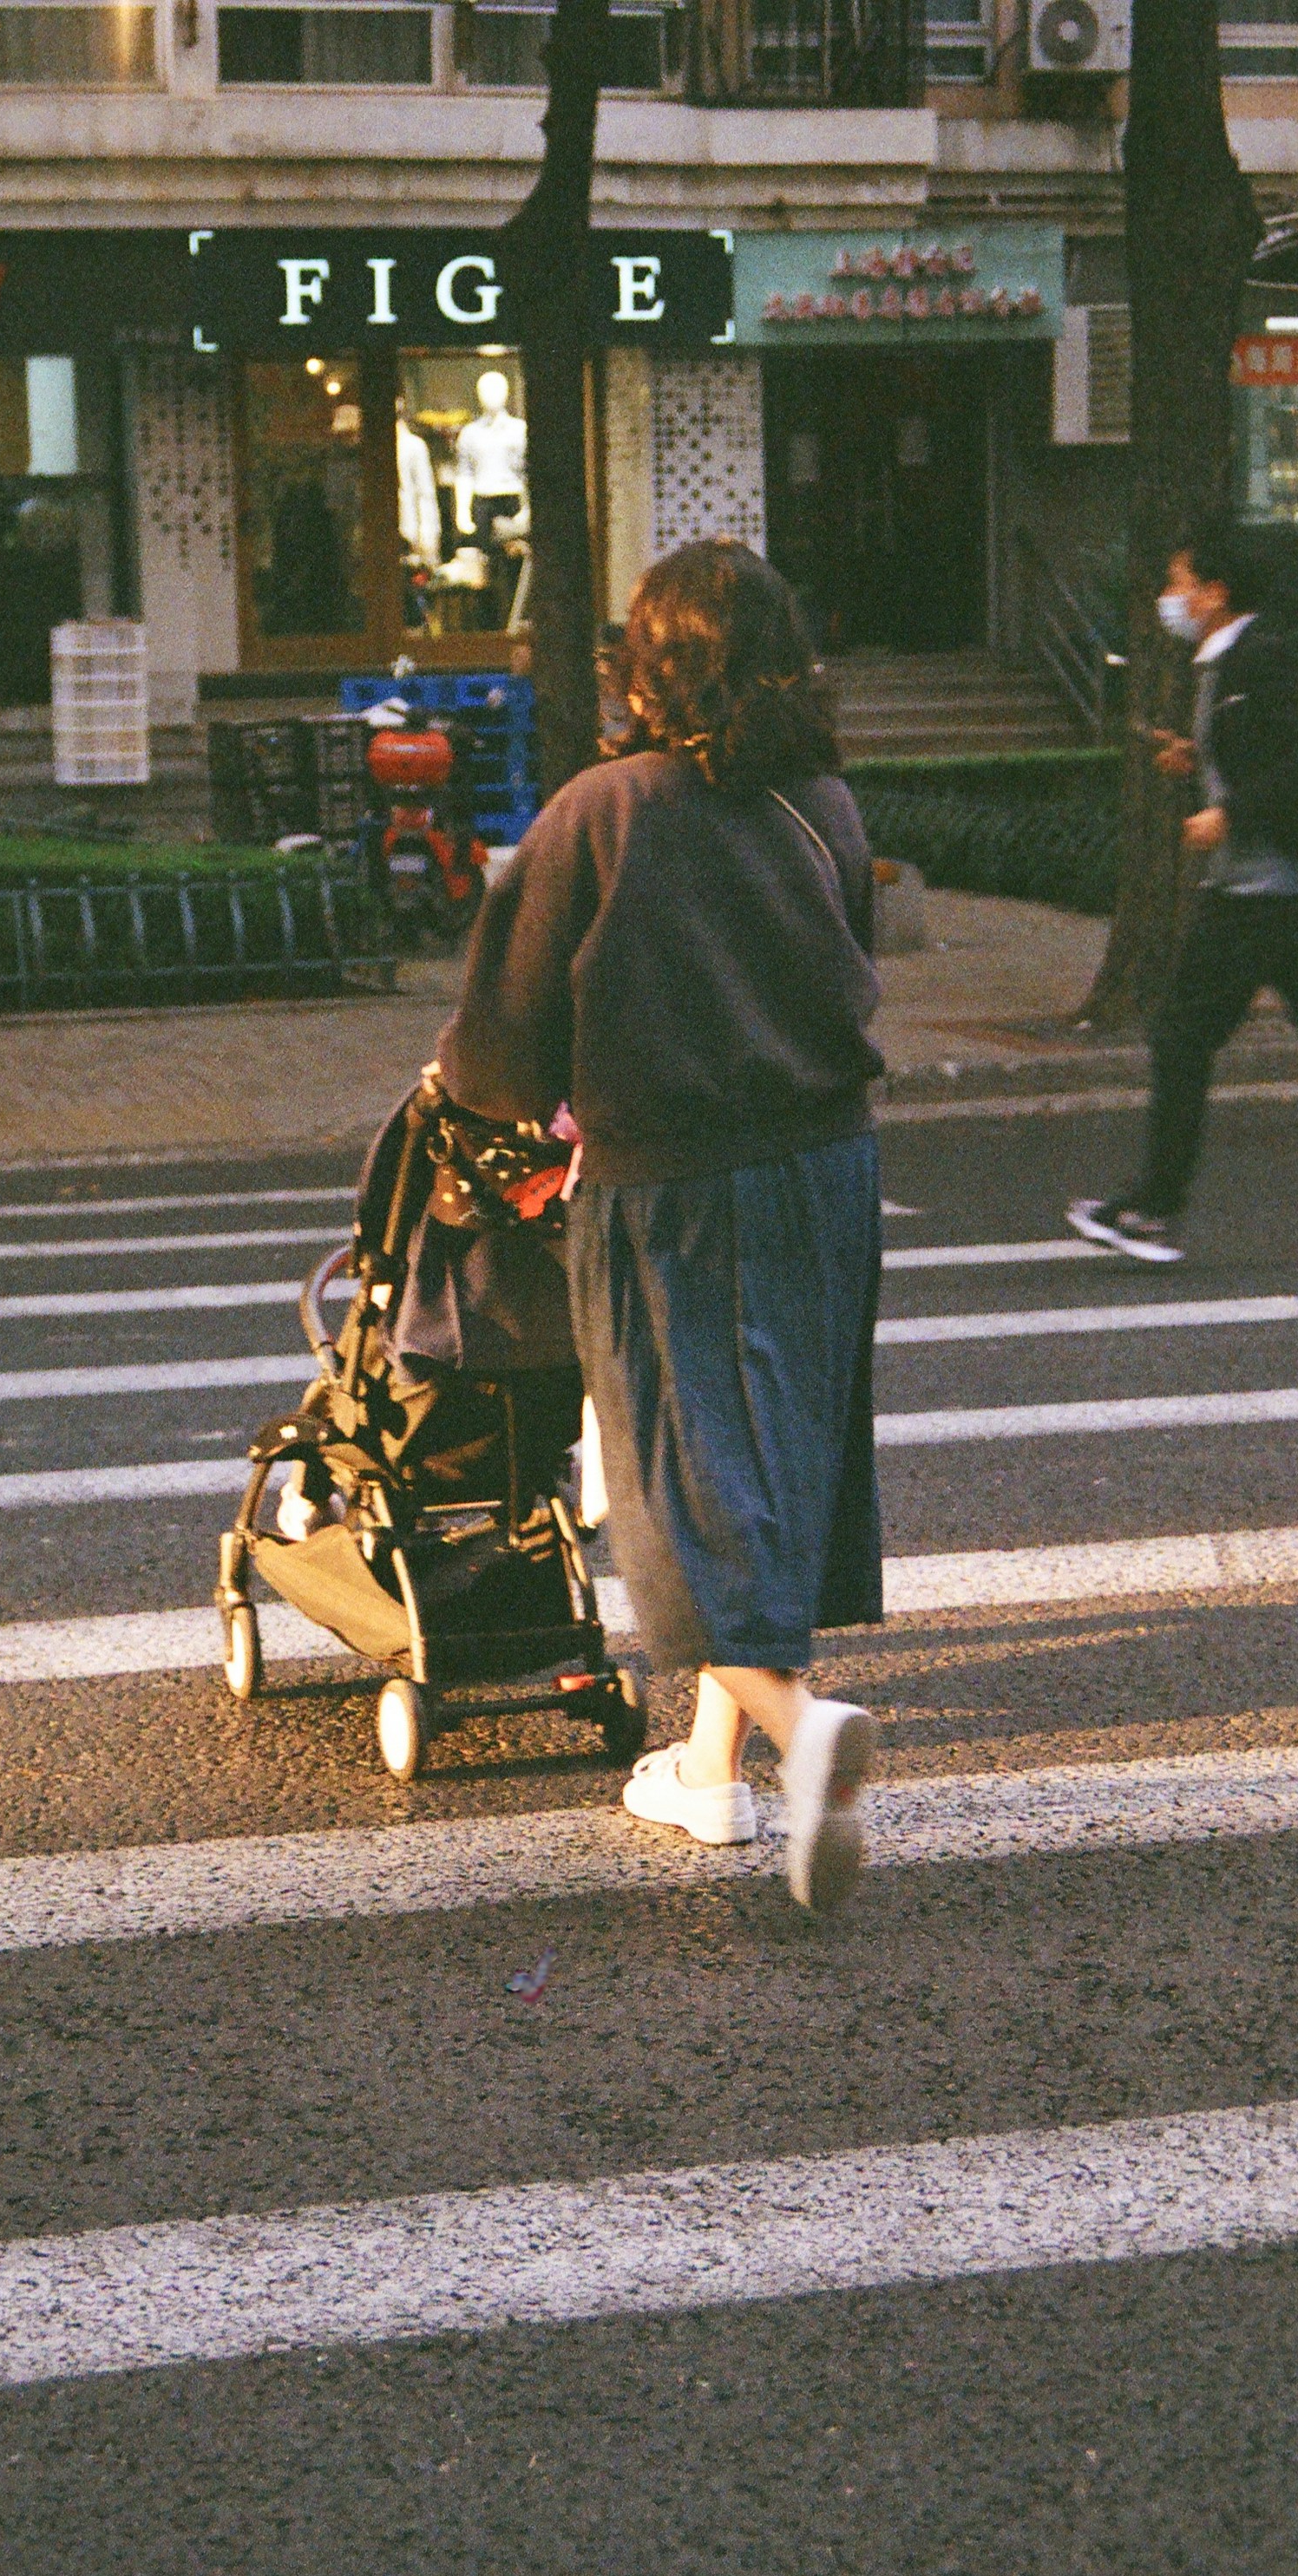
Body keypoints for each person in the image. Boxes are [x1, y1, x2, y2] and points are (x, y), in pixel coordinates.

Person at [439, 537, 888, 1912]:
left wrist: (498, 1108)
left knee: (676, 1482)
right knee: (774, 1461)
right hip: (825, 1168)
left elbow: (500, 1042)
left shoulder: (602, 808)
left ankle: (804, 1728)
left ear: (650, 666)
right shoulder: (823, 803)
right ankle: (707, 1773)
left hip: (667, 1185)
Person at [1069, 523, 1298, 1265]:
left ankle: (1151, 1209)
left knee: (1180, 1036)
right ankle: (1151, 1206)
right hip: (1261, 889)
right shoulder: (1227, 663)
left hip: (1263, 890)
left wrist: (1230, 814)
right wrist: (1198, 756)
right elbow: (1261, 743)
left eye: (1179, 583)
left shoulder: (1263, 656)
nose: (1170, 598)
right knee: (1183, 1036)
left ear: (1215, 593)